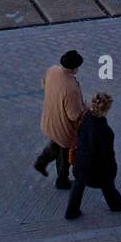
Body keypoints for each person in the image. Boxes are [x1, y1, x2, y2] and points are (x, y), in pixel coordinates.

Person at [65, 91, 121, 219]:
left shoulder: (86, 116)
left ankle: (71, 212)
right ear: (105, 110)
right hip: (97, 168)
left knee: (78, 185)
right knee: (107, 185)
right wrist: (112, 168)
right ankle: (116, 205)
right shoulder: (104, 131)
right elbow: (107, 155)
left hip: (81, 162)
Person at [34, 50, 85, 189]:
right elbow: (73, 115)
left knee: (55, 142)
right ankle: (62, 180)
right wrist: (84, 110)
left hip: (49, 118)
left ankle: (41, 162)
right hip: (63, 128)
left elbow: (44, 85)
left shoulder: (52, 70)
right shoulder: (71, 88)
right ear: (74, 69)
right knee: (64, 155)